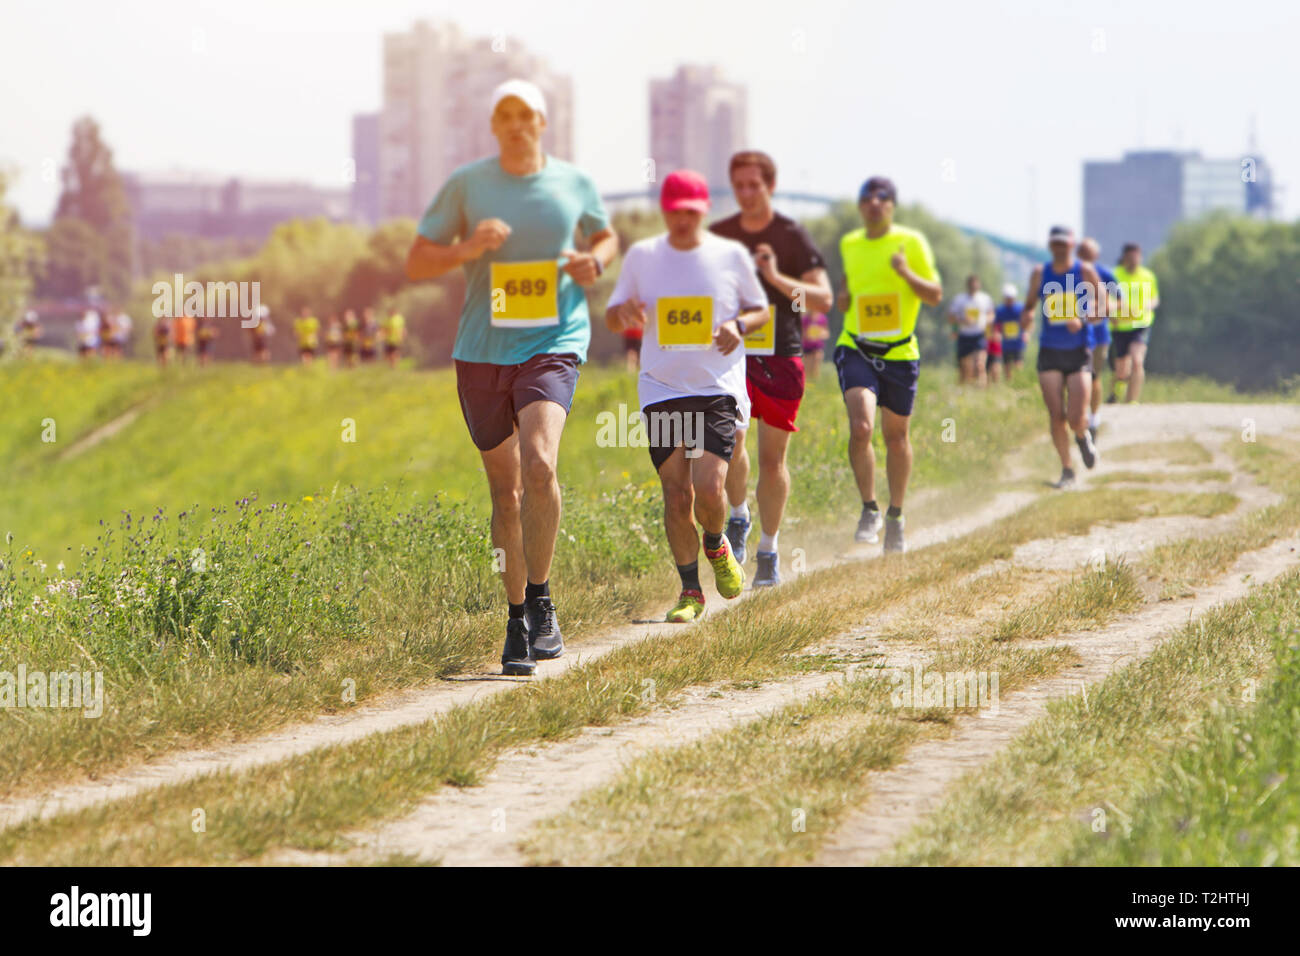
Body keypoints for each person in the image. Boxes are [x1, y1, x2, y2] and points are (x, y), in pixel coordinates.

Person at [405, 78, 618, 676]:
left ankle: (544, 601)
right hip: (481, 352)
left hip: (553, 343)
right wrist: (467, 246)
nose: (517, 123)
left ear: (542, 124)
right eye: (505, 115)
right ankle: (516, 615)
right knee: (506, 492)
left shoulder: (573, 183)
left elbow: (605, 231)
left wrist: (596, 258)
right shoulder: (467, 184)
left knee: (541, 463)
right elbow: (418, 260)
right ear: (492, 126)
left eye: (527, 114)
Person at [606, 169, 767, 620]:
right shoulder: (643, 256)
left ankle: (716, 543)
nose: (683, 221)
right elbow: (613, 317)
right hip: (660, 386)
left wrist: (738, 326)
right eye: (676, 212)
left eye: (692, 213)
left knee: (709, 487)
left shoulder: (729, 256)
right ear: (665, 210)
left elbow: (759, 311)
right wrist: (625, 312)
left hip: (715, 385)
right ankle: (690, 591)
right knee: (677, 496)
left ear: (704, 212)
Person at [709, 149, 832, 587]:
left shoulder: (791, 235)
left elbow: (821, 300)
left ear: (770, 186)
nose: (745, 193)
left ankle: (769, 549)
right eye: (738, 185)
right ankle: (738, 516)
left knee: (772, 459)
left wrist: (777, 278)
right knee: (732, 441)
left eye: (753, 185)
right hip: (732, 355)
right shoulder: (720, 235)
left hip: (782, 355)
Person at [833, 176, 942, 553]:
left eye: (882, 199)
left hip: (899, 353)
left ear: (892, 205)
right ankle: (869, 508)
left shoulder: (910, 242)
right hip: (857, 347)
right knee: (861, 426)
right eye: (867, 199)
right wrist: (843, 296)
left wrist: (904, 272)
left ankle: (896, 514)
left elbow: (934, 294)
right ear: (861, 206)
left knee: (896, 439)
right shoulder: (849, 243)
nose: (874, 205)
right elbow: (846, 295)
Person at [1023, 226, 1104, 489]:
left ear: (1072, 244)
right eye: (1055, 243)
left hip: (1079, 351)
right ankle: (1067, 469)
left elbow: (1103, 307)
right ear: (1050, 245)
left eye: (1064, 243)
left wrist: (1082, 318)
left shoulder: (1085, 271)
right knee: (1056, 414)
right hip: (1050, 350)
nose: (1059, 247)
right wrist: (1026, 320)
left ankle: (1082, 437)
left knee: (1076, 416)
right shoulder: (1040, 273)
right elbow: (1028, 307)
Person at [1076, 237, 1116, 439]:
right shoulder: (1071, 274)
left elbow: (1116, 303)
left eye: (1088, 252)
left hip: (1099, 335)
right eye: (1081, 251)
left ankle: (1094, 417)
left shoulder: (1106, 274)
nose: (1084, 255)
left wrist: (1097, 311)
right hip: (1074, 336)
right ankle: (1079, 415)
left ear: (1096, 255)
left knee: (1093, 376)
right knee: (1075, 376)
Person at [1110, 242, 1160, 404]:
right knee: (1121, 367)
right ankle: (1117, 391)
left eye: (1136, 257)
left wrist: (1149, 305)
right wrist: (1111, 316)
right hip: (1120, 325)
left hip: (1141, 324)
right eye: (1130, 257)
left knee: (1137, 360)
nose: (1134, 260)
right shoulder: (1114, 275)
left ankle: (1132, 400)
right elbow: (1106, 298)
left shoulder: (1148, 276)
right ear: (1124, 258)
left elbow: (1154, 298)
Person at [948, 274, 993, 386]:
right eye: (971, 284)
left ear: (979, 285)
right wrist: (962, 321)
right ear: (968, 285)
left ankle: (983, 391)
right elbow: (951, 317)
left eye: (975, 284)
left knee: (980, 364)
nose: (974, 286)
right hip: (964, 335)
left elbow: (991, 315)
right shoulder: (959, 299)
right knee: (966, 369)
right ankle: (965, 391)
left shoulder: (985, 299)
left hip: (979, 335)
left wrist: (985, 321)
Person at [992, 283, 1027, 381]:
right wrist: (996, 334)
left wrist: (1027, 333)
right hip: (1006, 343)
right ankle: (1009, 383)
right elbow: (996, 325)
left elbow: (1029, 322)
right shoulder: (1000, 310)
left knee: (1018, 364)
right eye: (1007, 298)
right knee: (1006, 366)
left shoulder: (1020, 308)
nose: (1009, 300)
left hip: (1018, 343)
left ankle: (1019, 382)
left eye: (1011, 298)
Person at [801, 310, 829, 379]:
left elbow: (826, 333)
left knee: (816, 367)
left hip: (817, 347)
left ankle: (815, 381)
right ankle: (809, 384)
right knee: (807, 370)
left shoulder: (822, 318)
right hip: (807, 347)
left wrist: (820, 334)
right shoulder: (805, 319)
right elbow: (801, 333)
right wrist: (808, 335)